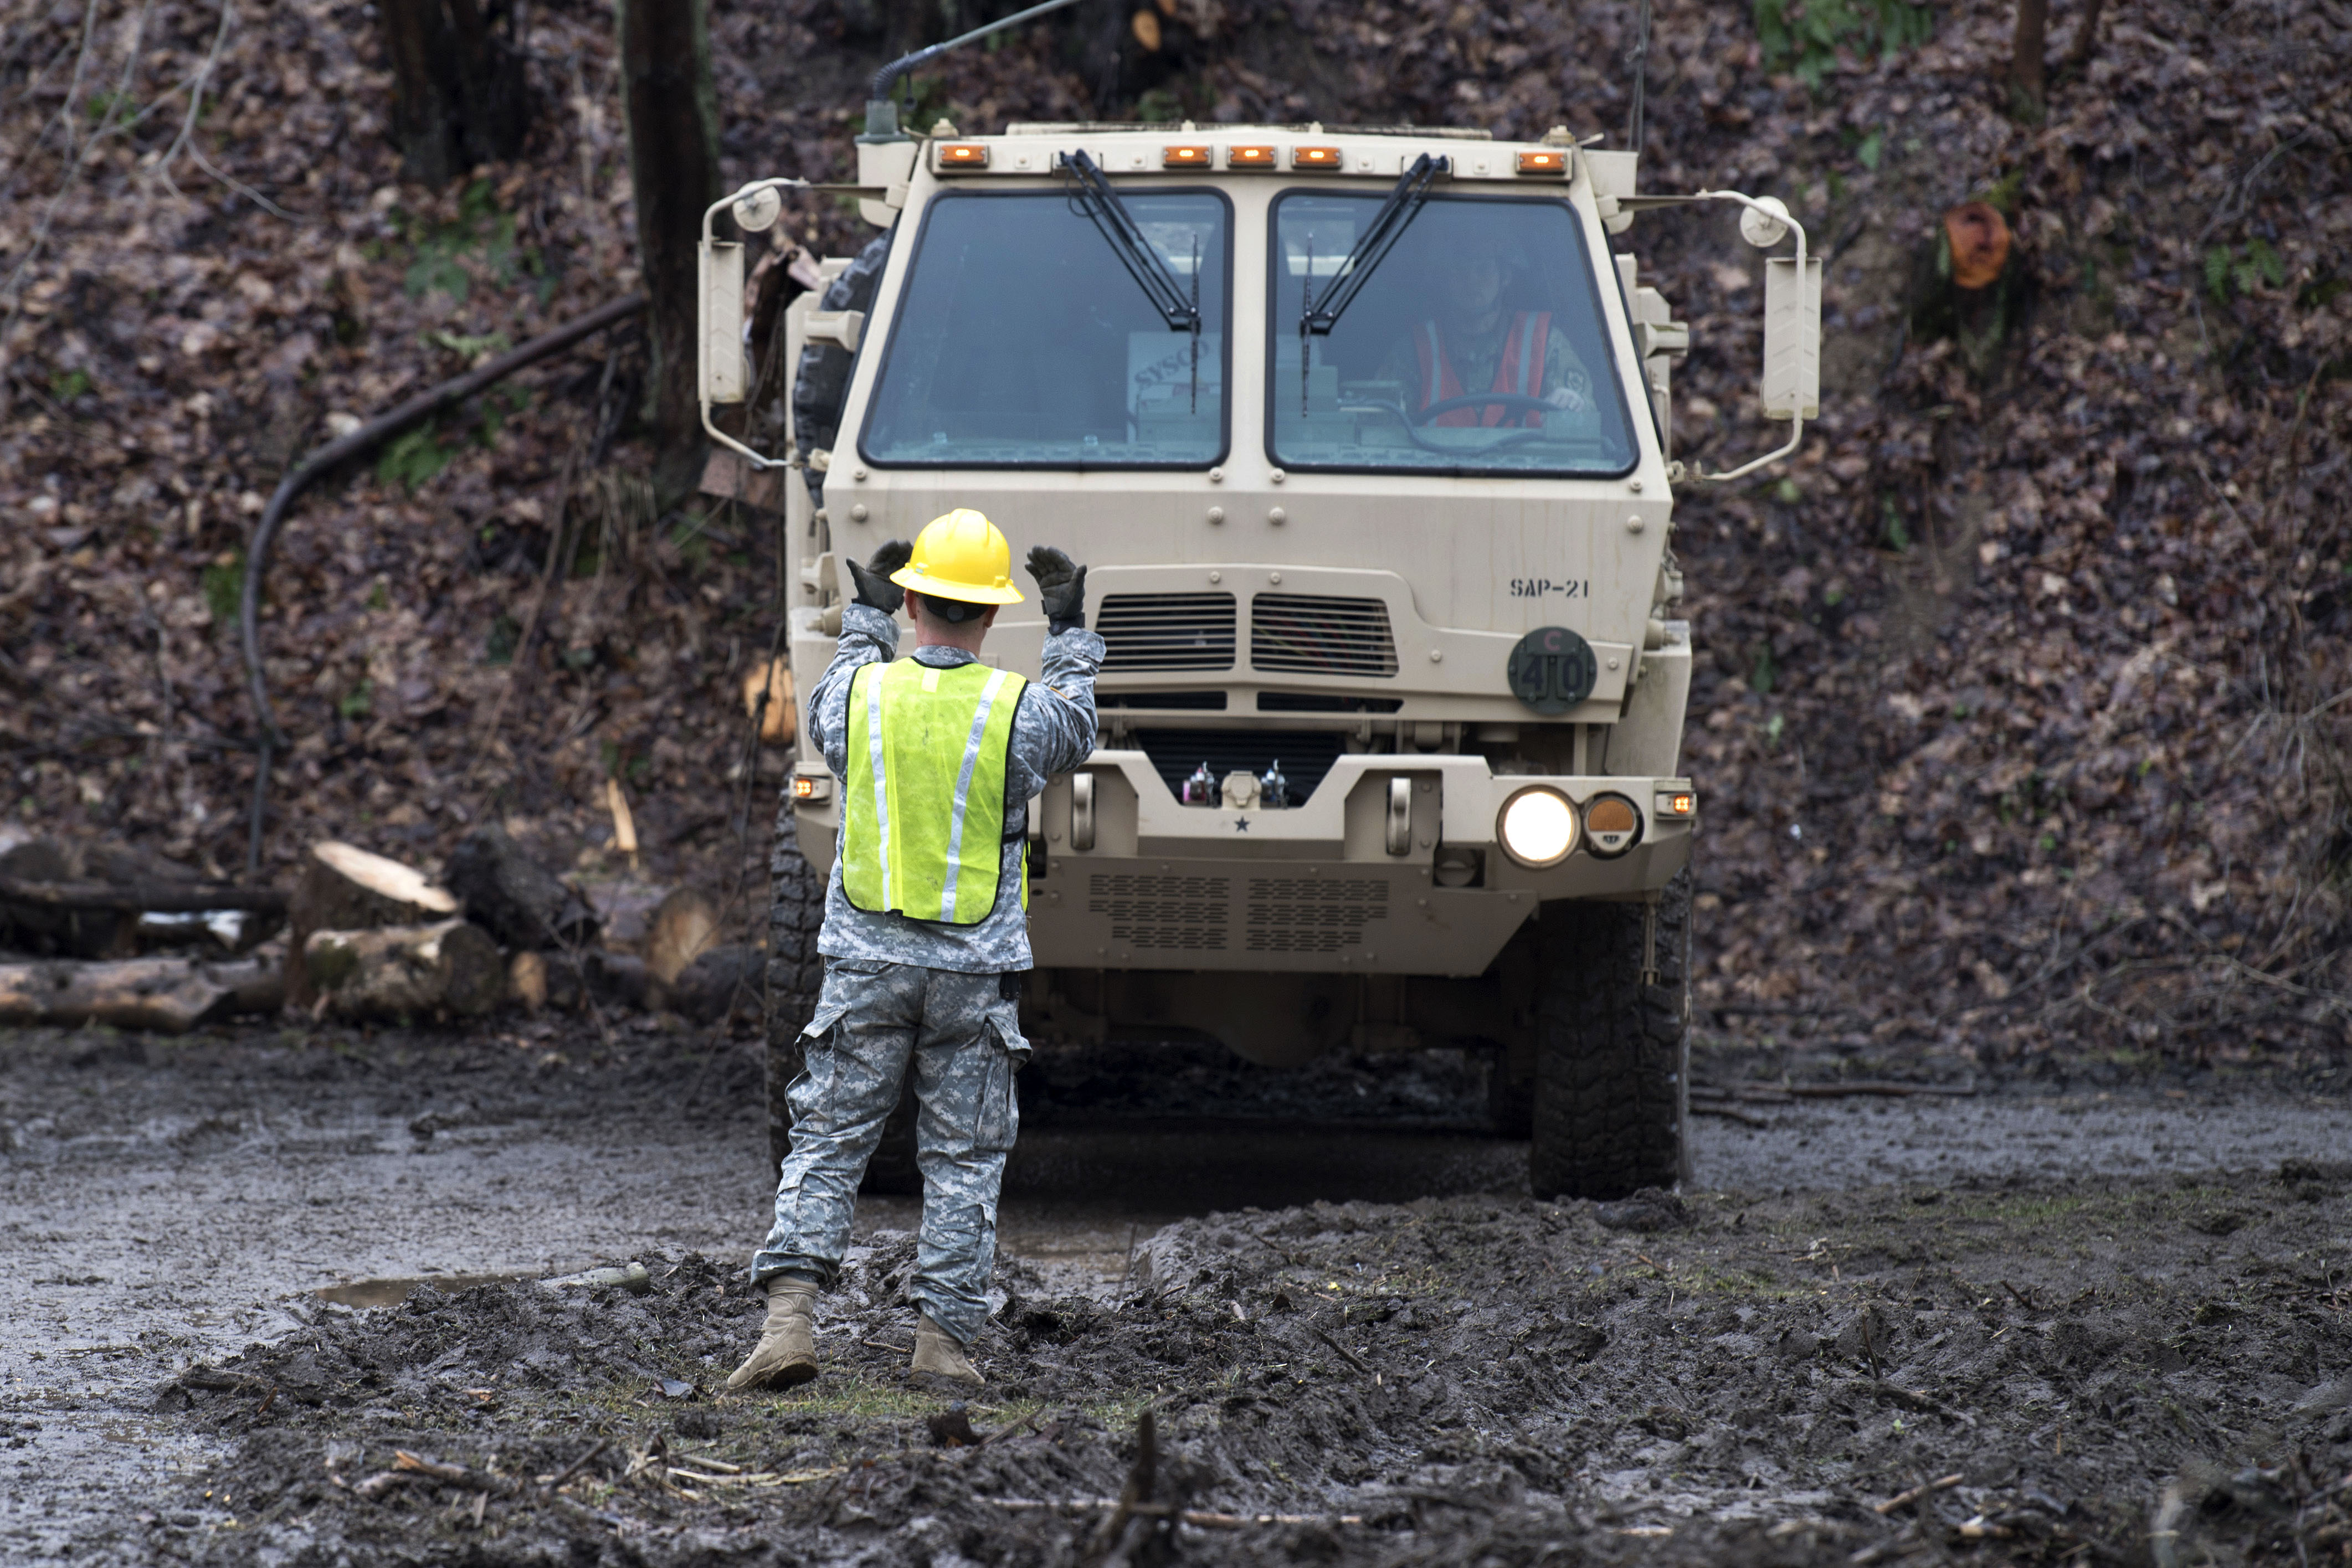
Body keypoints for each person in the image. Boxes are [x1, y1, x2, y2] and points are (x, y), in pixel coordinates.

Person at [728, 508, 1101, 1393]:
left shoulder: (856, 695)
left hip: (865, 960)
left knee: (826, 1139)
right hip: (974, 972)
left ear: (909, 599)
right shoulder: (1018, 709)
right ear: (991, 613)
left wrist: (863, 618)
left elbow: (832, 696)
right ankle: (941, 1344)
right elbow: (1077, 727)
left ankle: (787, 1328)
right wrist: (1071, 631)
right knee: (964, 1158)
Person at [1377, 228, 1597, 427]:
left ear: (1506, 277)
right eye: (1458, 271)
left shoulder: (1544, 341)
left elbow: (1586, 420)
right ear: (1445, 280)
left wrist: (1572, 403)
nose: (1471, 282)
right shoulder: (1417, 348)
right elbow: (1378, 420)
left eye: (1484, 270)